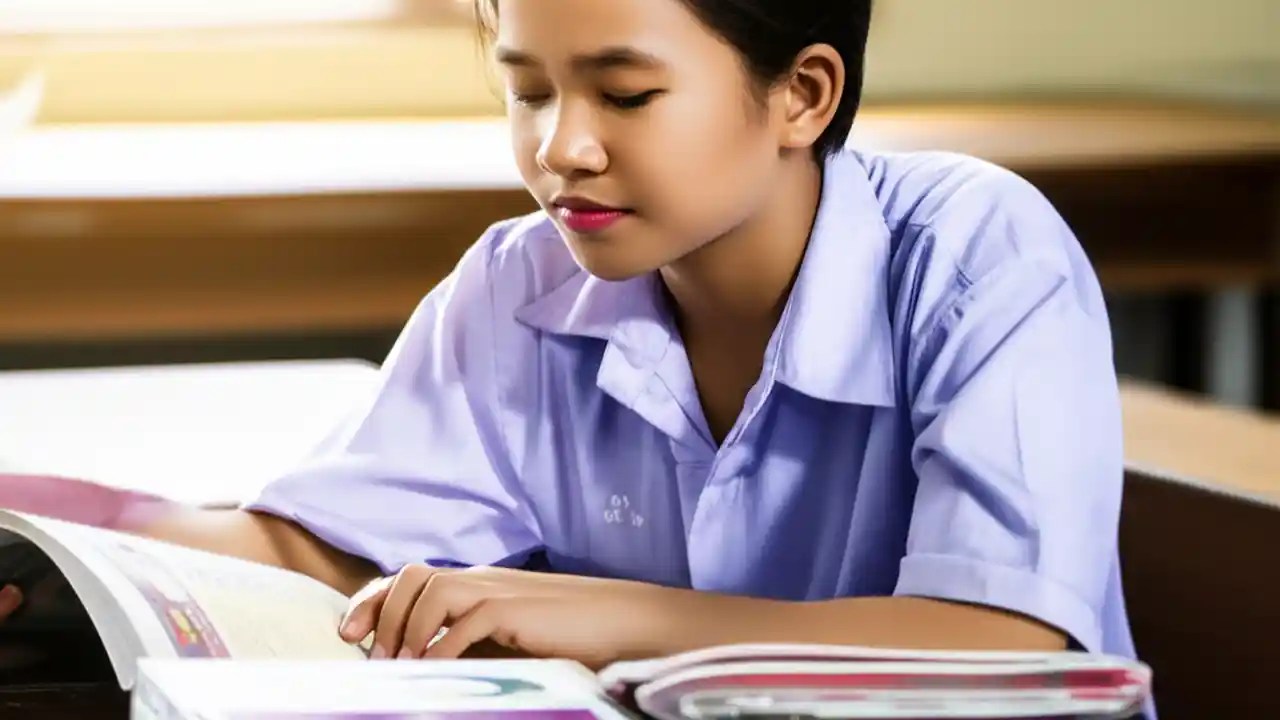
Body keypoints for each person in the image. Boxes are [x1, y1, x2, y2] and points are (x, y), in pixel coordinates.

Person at [2, 0, 1145, 696]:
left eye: (626, 93)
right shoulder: (518, 279)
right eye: (528, 89)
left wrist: (612, 613)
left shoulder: (974, 251)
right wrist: (75, 532)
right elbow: (327, 554)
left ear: (801, 94)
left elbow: (1011, 645)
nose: (562, 148)